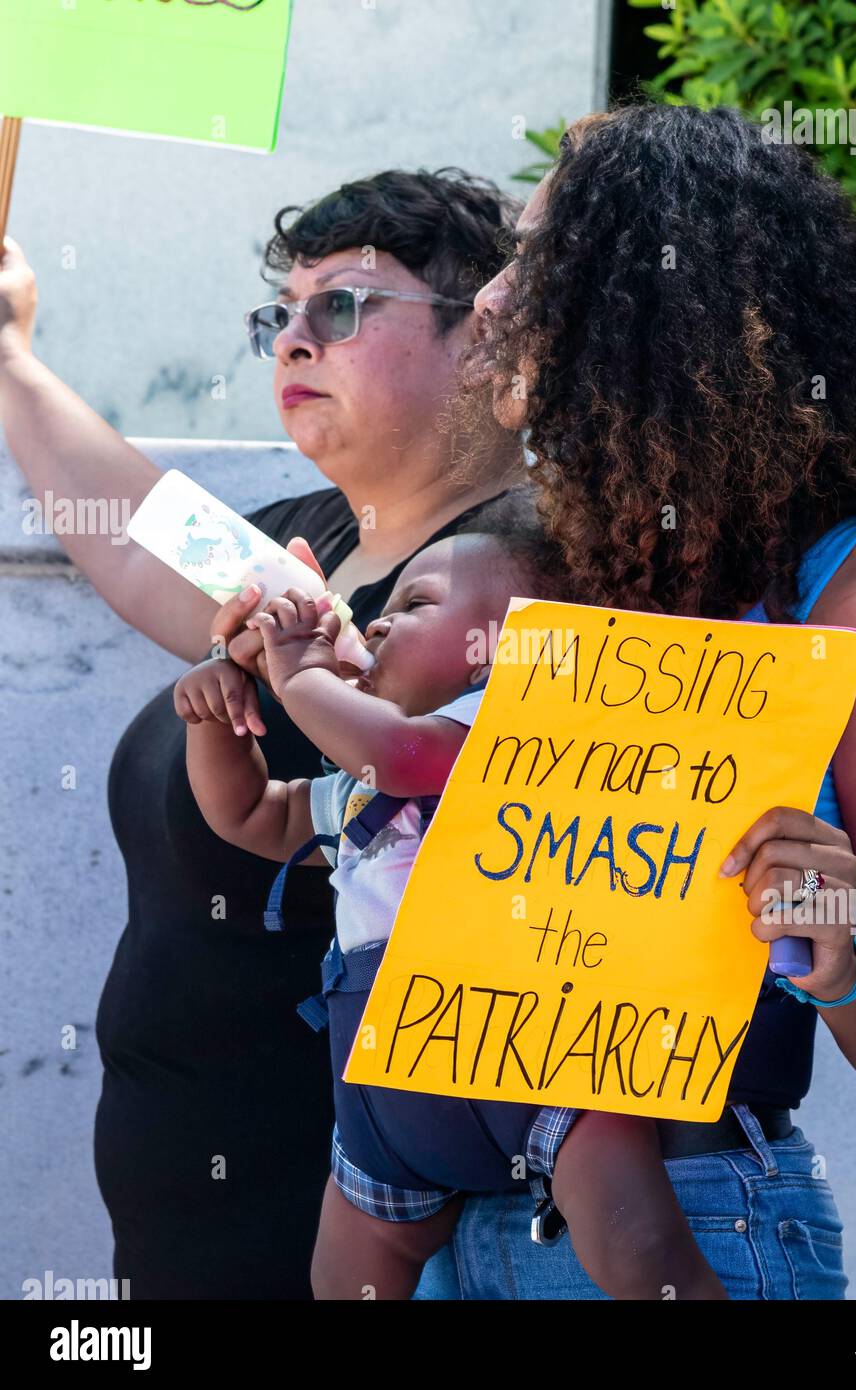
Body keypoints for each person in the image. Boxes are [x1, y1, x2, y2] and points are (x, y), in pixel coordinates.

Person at [408, 103, 856, 1300]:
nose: (497, 297)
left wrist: (838, 958)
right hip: (458, 1207)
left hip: (695, 1210)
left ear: (643, 302)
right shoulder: (553, 567)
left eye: (534, 257)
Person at [0, 168, 532, 1298]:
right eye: (276, 318)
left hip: (355, 1210)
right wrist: (7, 350)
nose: (292, 340)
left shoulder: (518, 572)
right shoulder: (308, 545)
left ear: (486, 342)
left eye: (340, 308)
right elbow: (135, 534)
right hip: (187, 1216)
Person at [172, 514, 730, 1301]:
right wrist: (220, 724)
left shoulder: (508, 726)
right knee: (340, 1278)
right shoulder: (363, 794)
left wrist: (299, 675)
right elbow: (251, 817)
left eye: (419, 602)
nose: (378, 620)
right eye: (383, 608)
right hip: (388, 1110)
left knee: (643, 1253)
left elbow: (402, 753)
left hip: (546, 1076)